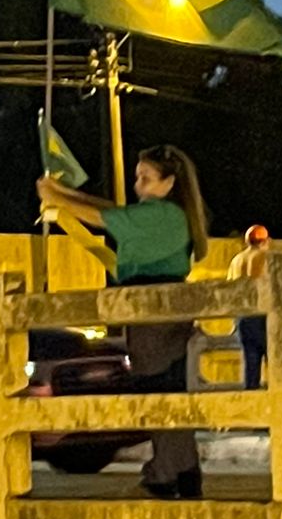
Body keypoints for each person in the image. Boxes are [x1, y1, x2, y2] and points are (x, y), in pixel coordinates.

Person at [38, 145, 210, 499]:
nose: (138, 184)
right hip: (154, 310)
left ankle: (169, 472)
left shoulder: (164, 215)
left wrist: (59, 198)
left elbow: (106, 219)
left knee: (158, 390)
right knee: (164, 390)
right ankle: (179, 470)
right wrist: (65, 194)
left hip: (155, 311)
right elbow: (114, 212)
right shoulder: (164, 214)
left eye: (146, 177)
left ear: (168, 183)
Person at [228, 224, 271, 389]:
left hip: (242, 317)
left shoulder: (236, 260)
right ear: (265, 241)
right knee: (273, 363)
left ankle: (251, 397)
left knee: (250, 366)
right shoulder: (264, 257)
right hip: (261, 316)